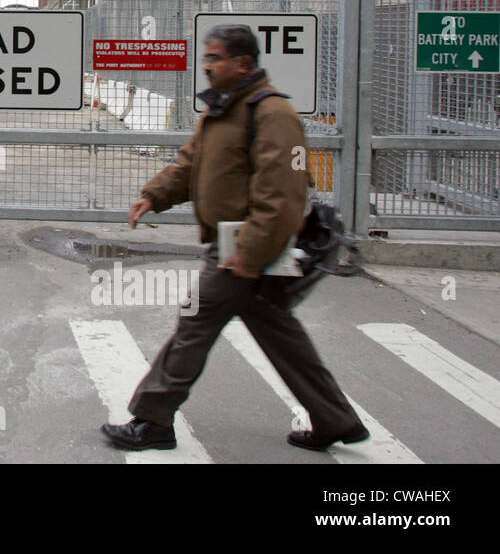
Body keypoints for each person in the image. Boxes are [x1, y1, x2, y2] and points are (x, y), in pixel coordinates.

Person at [101, 24, 368, 452]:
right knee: (282, 335)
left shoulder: (273, 114)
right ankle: (334, 419)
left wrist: (250, 255)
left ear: (243, 63)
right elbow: (190, 165)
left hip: (242, 253)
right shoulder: (222, 110)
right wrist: (153, 195)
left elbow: (281, 195)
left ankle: (152, 421)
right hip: (237, 251)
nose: (206, 67)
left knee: (193, 324)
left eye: (215, 58)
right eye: (205, 58)